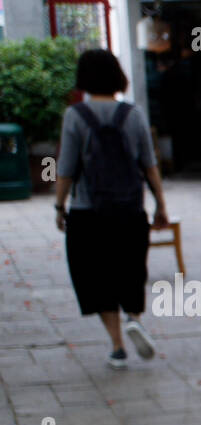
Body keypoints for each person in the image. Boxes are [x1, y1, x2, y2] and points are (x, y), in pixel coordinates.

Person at [55, 49, 167, 368]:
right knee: (130, 270)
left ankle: (117, 346)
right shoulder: (134, 114)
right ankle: (133, 317)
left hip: (88, 212)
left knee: (96, 276)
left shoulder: (75, 116)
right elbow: (149, 164)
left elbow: (65, 168)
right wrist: (160, 203)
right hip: (130, 210)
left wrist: (59, 206)